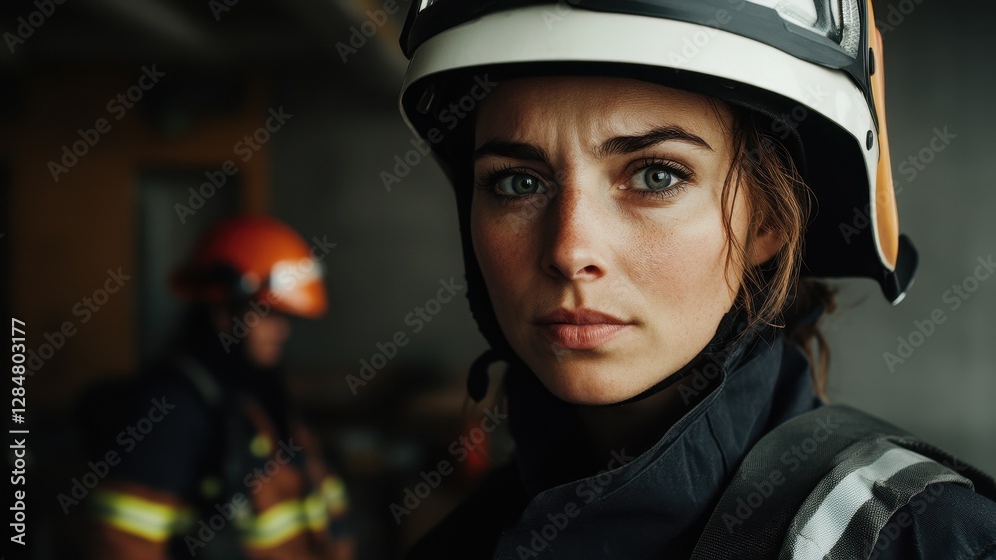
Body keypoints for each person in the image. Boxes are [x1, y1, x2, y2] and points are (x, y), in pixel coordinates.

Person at [395, 1, 996, 558]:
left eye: (656, 176)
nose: (570, 251)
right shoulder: (457, 545)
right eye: (517, 183)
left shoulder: (930, 539)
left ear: (768, 221)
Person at [88, 215, 353, 559]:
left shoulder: (261, 393)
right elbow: (124, 544)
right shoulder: (173, 407)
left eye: (284, 315)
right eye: (266, 312)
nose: (281, 329)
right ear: (222, 310)